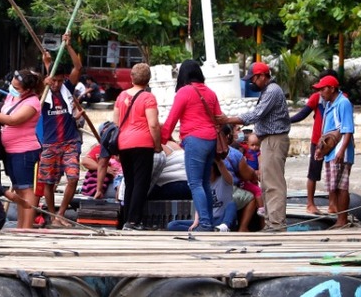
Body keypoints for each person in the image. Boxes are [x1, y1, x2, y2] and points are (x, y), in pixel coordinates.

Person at [225, 62, 292, 231]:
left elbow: (256, 114)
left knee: (274, 183)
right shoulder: (268, 91)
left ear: (262, 76)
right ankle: (271, 222)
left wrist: (228, 119)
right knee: (267, 183)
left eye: (253, 79)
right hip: (269, 140)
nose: (251, 83)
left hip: (274, 140)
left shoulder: (272, 91)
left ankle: (276, 224)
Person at [161, 59, 223, 231]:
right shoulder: (210, 93)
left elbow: (172, 118)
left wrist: (162, 140)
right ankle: (208, 222)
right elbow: (219, 117)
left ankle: (204, 224)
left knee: (195, 183)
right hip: (211, 140)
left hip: (194, 140)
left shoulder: (184, 92)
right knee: (205, 183)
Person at [0, 69, 42, 229]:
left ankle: (27, 226)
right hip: (10, 150)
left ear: (27, 89)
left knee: (27, 189)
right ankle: (21, 225)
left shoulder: (32, 103)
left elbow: (12, 120)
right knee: (19, 189)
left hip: (25, 151)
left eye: (17, 87)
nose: (13, 89)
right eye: (12, 85)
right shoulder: (12, 96)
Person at [37, 36, 83, 225]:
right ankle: (52, 214)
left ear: (64, 79)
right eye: (53, 81)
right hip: (50, 144)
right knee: (48, 181)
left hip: (70, 143)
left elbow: (78, 67)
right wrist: (46, 66)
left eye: (59, 81)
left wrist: (69, 46)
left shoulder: (67, 88)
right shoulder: (43, 91)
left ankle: (61, 214)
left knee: (73, 177)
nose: (56, 85)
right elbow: (38, 89)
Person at [114, 62, 161, 230]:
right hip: (142, 143)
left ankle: (127, 218)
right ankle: (134, 221)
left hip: (123, 143)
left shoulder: (121, 96)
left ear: (131, 77)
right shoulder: (148, 98)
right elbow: (153, 124)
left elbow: (116, 123)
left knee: (130, 182)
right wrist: (157, 145)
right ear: (148, 79)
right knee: (141, 182)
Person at [289, 68, 339, 214]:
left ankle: (333, 204)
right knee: (314, 172)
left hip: (334, 141)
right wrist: (286, 120)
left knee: (334, 173)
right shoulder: (317, 97)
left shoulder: (342, 100)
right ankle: (310, 203)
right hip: (318, 140)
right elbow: (303, 114)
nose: (321, 89)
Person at [315, 74, 355, 227]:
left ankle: (342, 220)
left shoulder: (343, 103)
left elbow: (348, 130)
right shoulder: (329, 105)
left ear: (332, 89)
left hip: (339, 151)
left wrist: (341, 150)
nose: (321, 93)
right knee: (334, 187)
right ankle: (340, 218)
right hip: (331, 151)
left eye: (323, 89)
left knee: (341, 186)